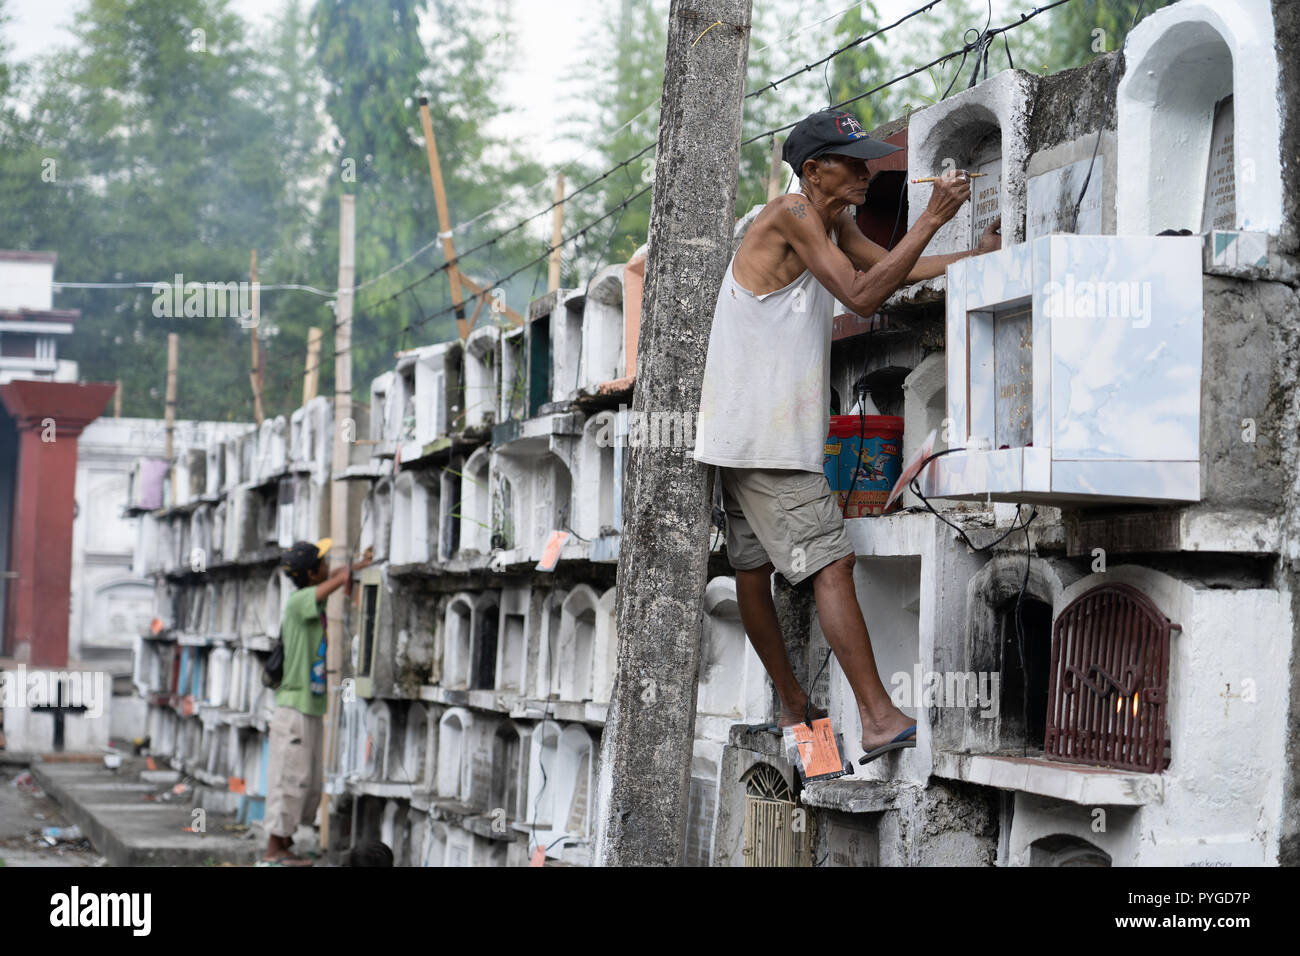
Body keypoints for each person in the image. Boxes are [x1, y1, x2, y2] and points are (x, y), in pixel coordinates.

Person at [692, 108, 1001, 765]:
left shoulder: (826, 219)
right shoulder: (793, 216)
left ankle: (793, 707)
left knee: (753, 571)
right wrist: (933, 218)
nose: (867, 171)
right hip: (770, 439)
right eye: (852, 162)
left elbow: (887, 268)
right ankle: (879, 716)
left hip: (739, 433)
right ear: (812, 171)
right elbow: (863, 296)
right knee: (832, 564)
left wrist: (969, 255)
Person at [262, 538, 373, 865]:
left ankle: (284, 844)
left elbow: (336, 575)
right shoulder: (299, 602)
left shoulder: (311, 593)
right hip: (293, 707)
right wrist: (351, 571)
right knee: (289, 778)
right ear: (311, 573)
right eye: (322, 562)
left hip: (308, 706)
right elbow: (338, 580)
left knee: (307, 780)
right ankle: (273, 850)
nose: (328, 564)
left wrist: (360, 566)